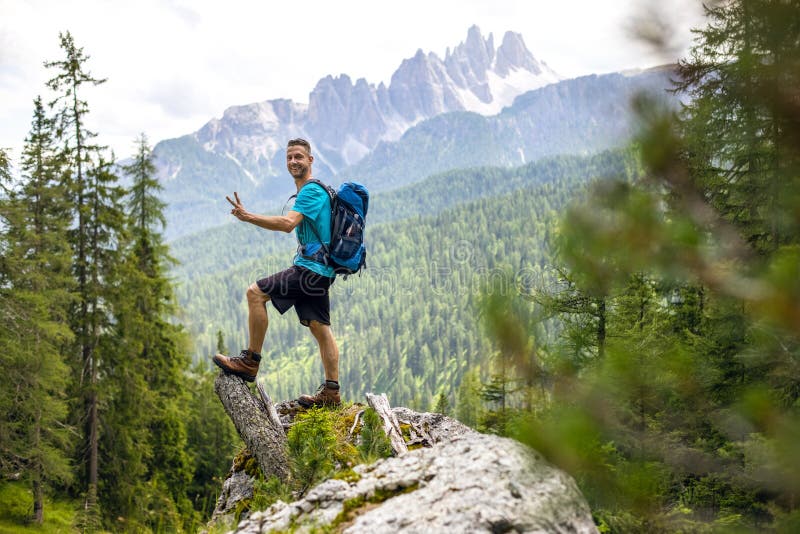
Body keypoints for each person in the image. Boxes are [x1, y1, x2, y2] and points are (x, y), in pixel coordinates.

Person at [213, 138, 341, 407]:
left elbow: (287, 224)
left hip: (310, 270)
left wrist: (249, 217)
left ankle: (250, 362)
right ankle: (331, 392)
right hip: (321, 270)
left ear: (310, 160)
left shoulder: (311, 192)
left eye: (298, 157)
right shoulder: (315, 191)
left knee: (255, 293)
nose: (293, 162)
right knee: (320, 328)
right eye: (289, 158)